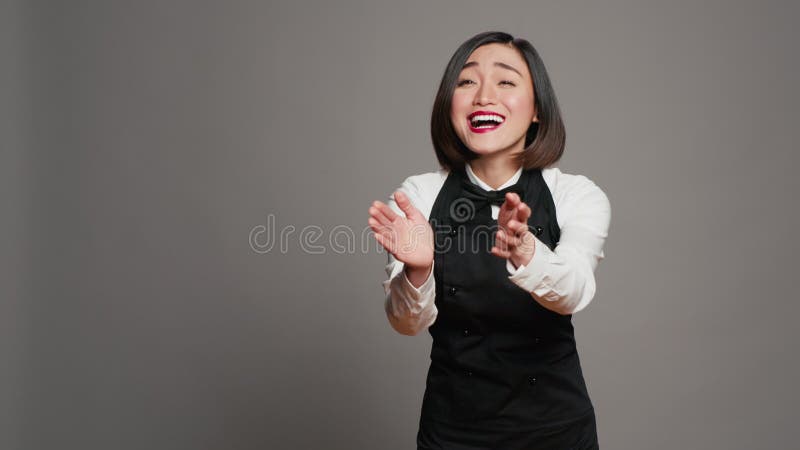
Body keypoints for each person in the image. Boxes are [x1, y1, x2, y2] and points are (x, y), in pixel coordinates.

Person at [367, 31, 611, 449]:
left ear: (537, 110)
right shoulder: (419, 195)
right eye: (466, 82)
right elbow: (406, 323)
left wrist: (527, 252)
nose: (483, 95)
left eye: (505, 81)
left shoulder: (577, 195)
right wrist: (418, 268)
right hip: (452, 434)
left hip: (556, 432)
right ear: (450, 104)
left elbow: (573, 290)